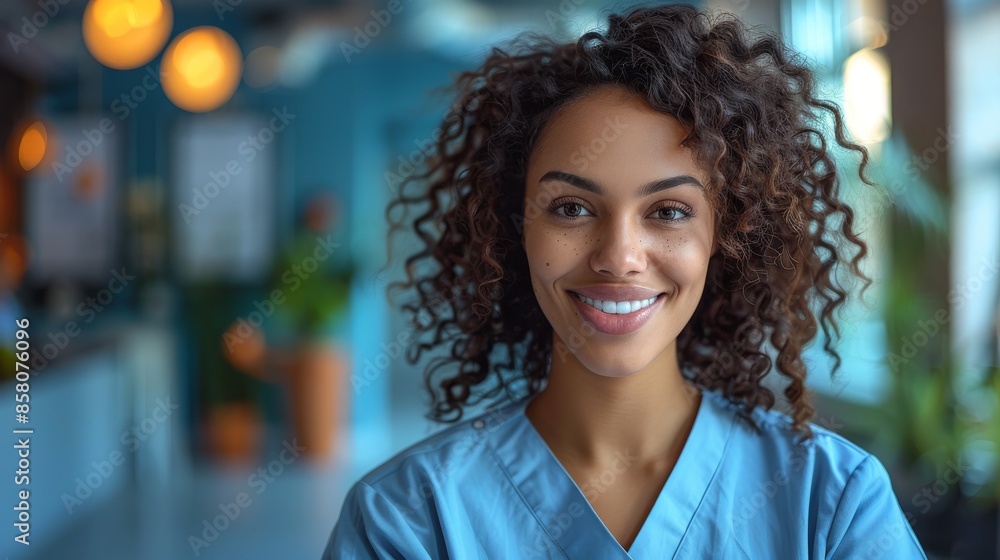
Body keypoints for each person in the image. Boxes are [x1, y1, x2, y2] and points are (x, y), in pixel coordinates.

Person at [322, 4, 927, 559]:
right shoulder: (408, 518)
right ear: (516, 229)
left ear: (726, 236)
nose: (619, 257)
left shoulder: (834, 504)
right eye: (571, 208)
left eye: (667, 212)